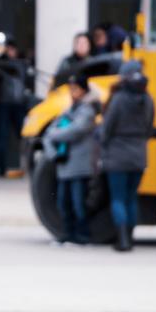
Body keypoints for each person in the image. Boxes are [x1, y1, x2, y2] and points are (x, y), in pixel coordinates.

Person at [98, 60, 155, 252]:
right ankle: (130, 237)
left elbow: (106, 129)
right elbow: (149, 128)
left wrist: (103, 143)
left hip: (117, 156)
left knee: (118, 198)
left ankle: (122, 239)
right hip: (139, 155)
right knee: (131, 198)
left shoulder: (118, 99)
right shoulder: (148, 99)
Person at [44, 74, 101, 245]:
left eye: (75, 89)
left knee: (79, 204)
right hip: (65, 165)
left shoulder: (88, 111)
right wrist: (53, 144)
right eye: (71, 89)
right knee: (63, 203)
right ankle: (67, 235)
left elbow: (75, 131)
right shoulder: (69, 110)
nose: (72, 92)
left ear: (83, 91)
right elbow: (51, 131)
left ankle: (82, 236)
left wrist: (54, 135)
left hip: (80, 166)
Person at [0, 36, 29, 177]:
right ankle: (1, 167)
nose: (10, 52)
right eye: (7, 49)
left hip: (18, 104)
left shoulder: (21, 64)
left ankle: (26, 165)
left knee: (23, 135)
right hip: (3, 103)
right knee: (2, 136)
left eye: (12, 49)